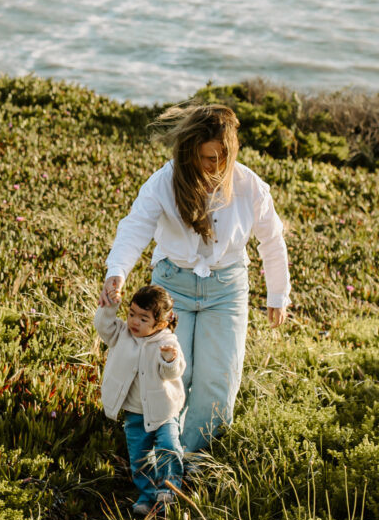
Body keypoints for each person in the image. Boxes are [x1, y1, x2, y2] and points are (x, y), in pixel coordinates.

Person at [102, 101, 289, 454]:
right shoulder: (165, 180)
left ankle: (190, 460)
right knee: (172, 372)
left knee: (217, 382)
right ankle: (160, 453)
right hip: (173, 286)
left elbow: (272, 240)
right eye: (205, 157)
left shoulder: (250, 186)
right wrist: (117, 272)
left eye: (219, 158)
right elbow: (136, 227)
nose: (212, 166)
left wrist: (278, 295)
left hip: (226, 289)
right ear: (189, 152)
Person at [96, 283, 186, 517]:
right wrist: (110, 306)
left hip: (164, 410)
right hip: (135, 412)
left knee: (169, 447)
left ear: (161, 324)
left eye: (143, 319)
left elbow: (172, 373)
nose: (134, 322)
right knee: (140, 459)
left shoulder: (168, 342)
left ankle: (168, 491)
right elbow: (103, 327)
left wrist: (169, 359)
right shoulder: (122, 333)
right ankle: (147, 497)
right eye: (132, 314)